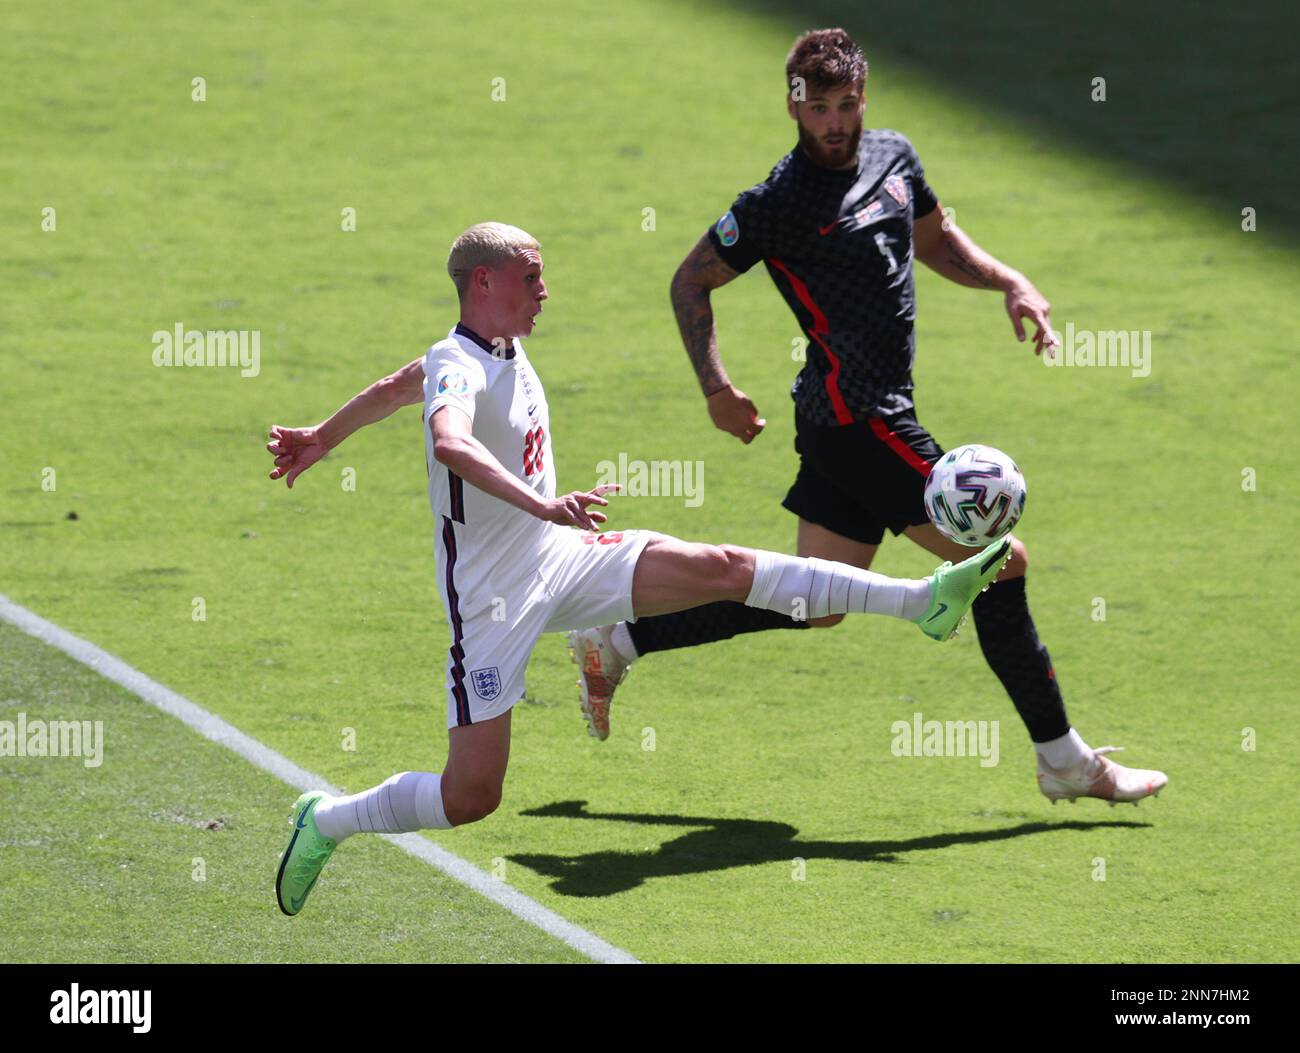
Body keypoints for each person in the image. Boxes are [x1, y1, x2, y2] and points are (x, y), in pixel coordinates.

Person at [266, 221, 1011, 916]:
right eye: (531, 276)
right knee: (471, 796)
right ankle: (328, 818)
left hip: (561, 557)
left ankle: (922, 600)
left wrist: (322, 438)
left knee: (721, 565)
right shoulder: (458, 363)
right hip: (491, 602)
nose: (544, 290)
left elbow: (404, 382)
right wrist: (544, 503)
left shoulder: (477, 351)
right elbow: (450, 443)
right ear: (484, 281)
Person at [566, 28, 1167, 808]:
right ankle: (1065, 760)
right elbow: (689, 283)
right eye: (818, 108)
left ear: (864, 99)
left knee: (817, 604)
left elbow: (935, 241)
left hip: (848, 419)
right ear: (793, 105)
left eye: (846, 104)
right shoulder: (775, 205)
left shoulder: (893, 156)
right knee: (1001, 563)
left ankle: (617, 639)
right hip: (860, 422)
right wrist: (715, 387)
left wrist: (1008, 282)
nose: (835, 122)